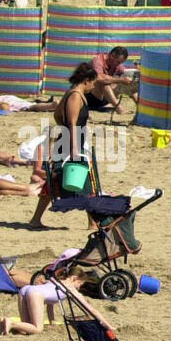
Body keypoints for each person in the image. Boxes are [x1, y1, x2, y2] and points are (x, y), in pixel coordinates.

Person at [31, 62, 98, 229]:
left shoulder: (71, 94)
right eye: (94, 83)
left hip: (69, 143)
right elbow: (72, 123)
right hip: (70, 145)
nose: (93, 87)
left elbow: (57, 115)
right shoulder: (75, 96)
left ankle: (35, 220)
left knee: (55, 181)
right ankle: (92, 223)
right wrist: (75, 148)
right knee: (86, 180)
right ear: (87, 81)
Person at [90, 46, 136, 113]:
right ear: (112, 56)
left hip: (102, 99)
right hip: (90, 98)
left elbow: (125, 72)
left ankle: (141, 108)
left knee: (130, 84)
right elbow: (99, 78)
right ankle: (119, 109)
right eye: (118, 62)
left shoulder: (115, 64)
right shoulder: (98, 61)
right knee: (105, 83)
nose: (118, 64)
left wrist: (132, 79)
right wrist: (120, 80)